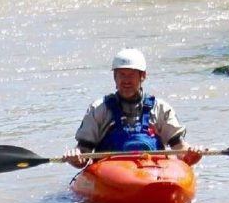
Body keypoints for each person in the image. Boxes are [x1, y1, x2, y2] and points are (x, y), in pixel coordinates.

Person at [63, 48, 203, 167]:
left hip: (153, 173)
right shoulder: (99, 109)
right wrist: (75, 156)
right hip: (111, 175)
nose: (126, 81)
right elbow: (83, 155)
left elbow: (179, 149)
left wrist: (192, 154)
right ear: (115, 77)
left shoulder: (161, 109)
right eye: (122, 75)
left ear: (143, 76)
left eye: (131, 75)